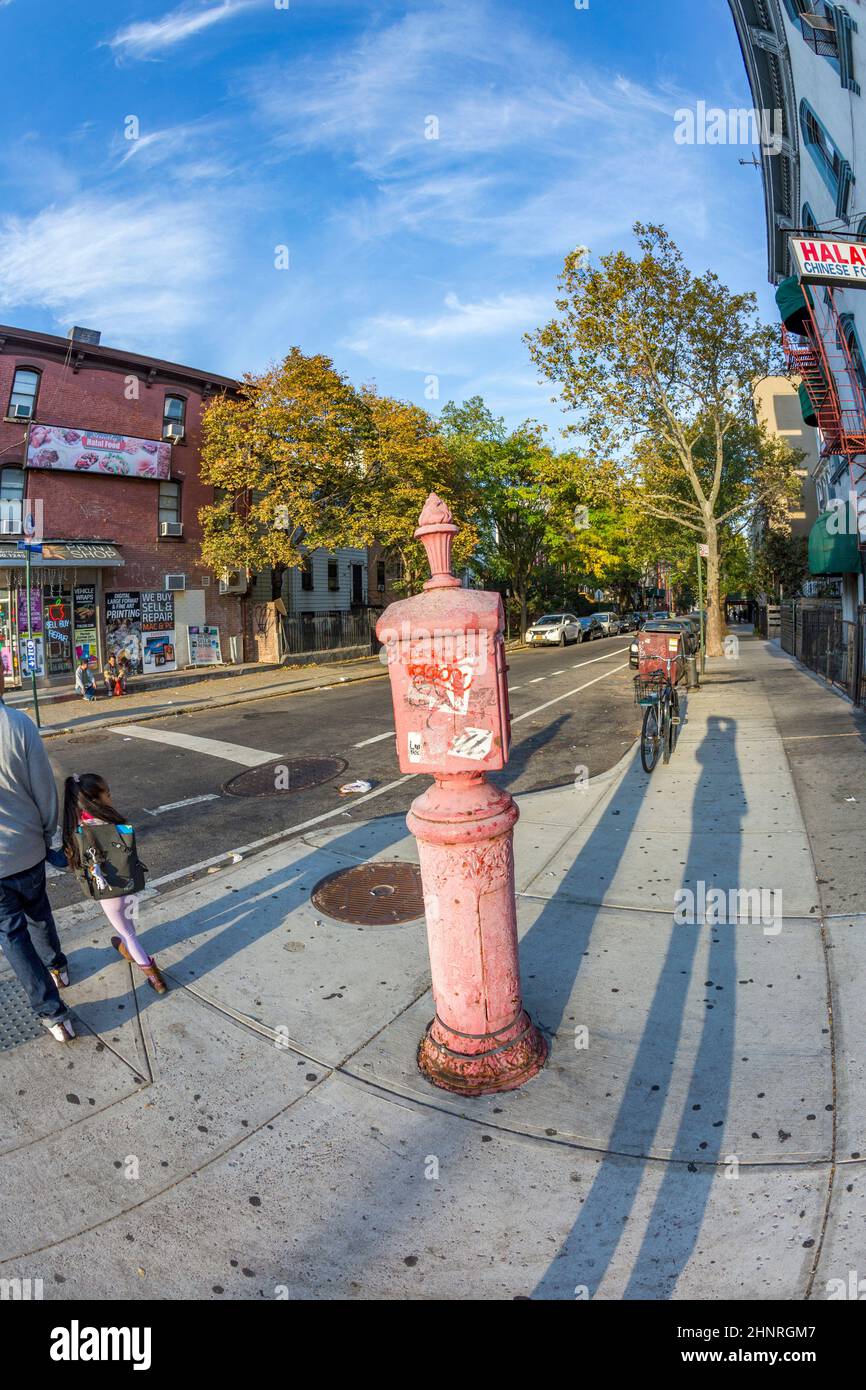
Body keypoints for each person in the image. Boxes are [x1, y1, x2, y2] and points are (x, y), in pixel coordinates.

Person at [0, 666, 74, 1042]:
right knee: (38, 909)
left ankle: (52, 1014)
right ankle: (57, 965)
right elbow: (45, 791)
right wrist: (50, 837)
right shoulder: (18, 725)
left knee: (11, 938)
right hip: (27, 848)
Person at [61, 772, 167, 994]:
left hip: (108, 891)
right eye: (107, 794)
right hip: (131, 885)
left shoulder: (79, 829)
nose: (111, 796)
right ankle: (127, 948)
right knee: (129, 926)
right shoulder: (116, 821)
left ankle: (153, 975)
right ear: (96, 800)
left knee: (126, 932)